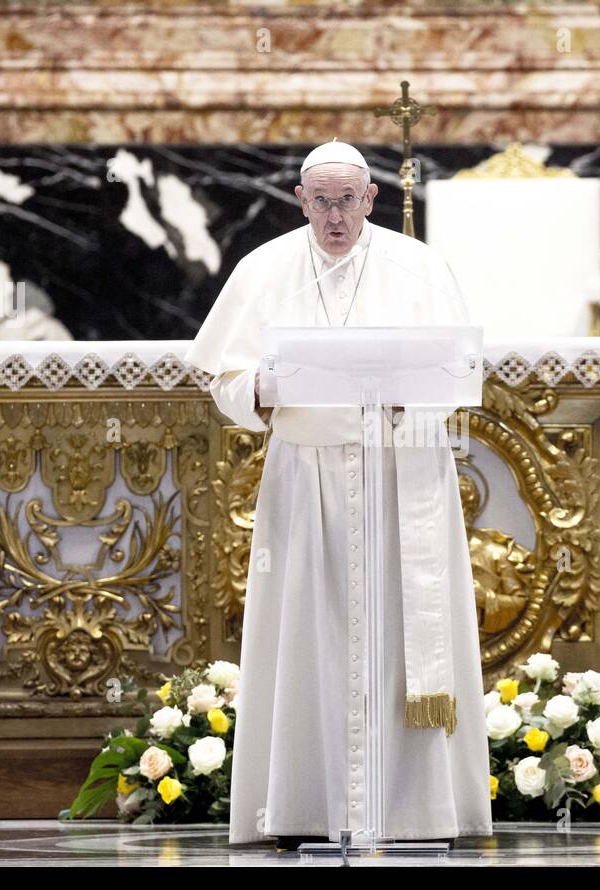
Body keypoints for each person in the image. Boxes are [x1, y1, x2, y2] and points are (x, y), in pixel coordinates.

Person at [184, 140, 493, 848]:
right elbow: (220, 377)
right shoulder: (263, 268)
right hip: (308, 473)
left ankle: (419, 810)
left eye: (346, 201)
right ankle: (306, 807)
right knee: (309, 636)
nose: (334, 217)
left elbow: (461, 367)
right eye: (320, 201)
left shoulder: (420, 267)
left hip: (401, 470)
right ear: (300, 200)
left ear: (370, 199)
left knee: (399, 638)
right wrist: (259, 387)